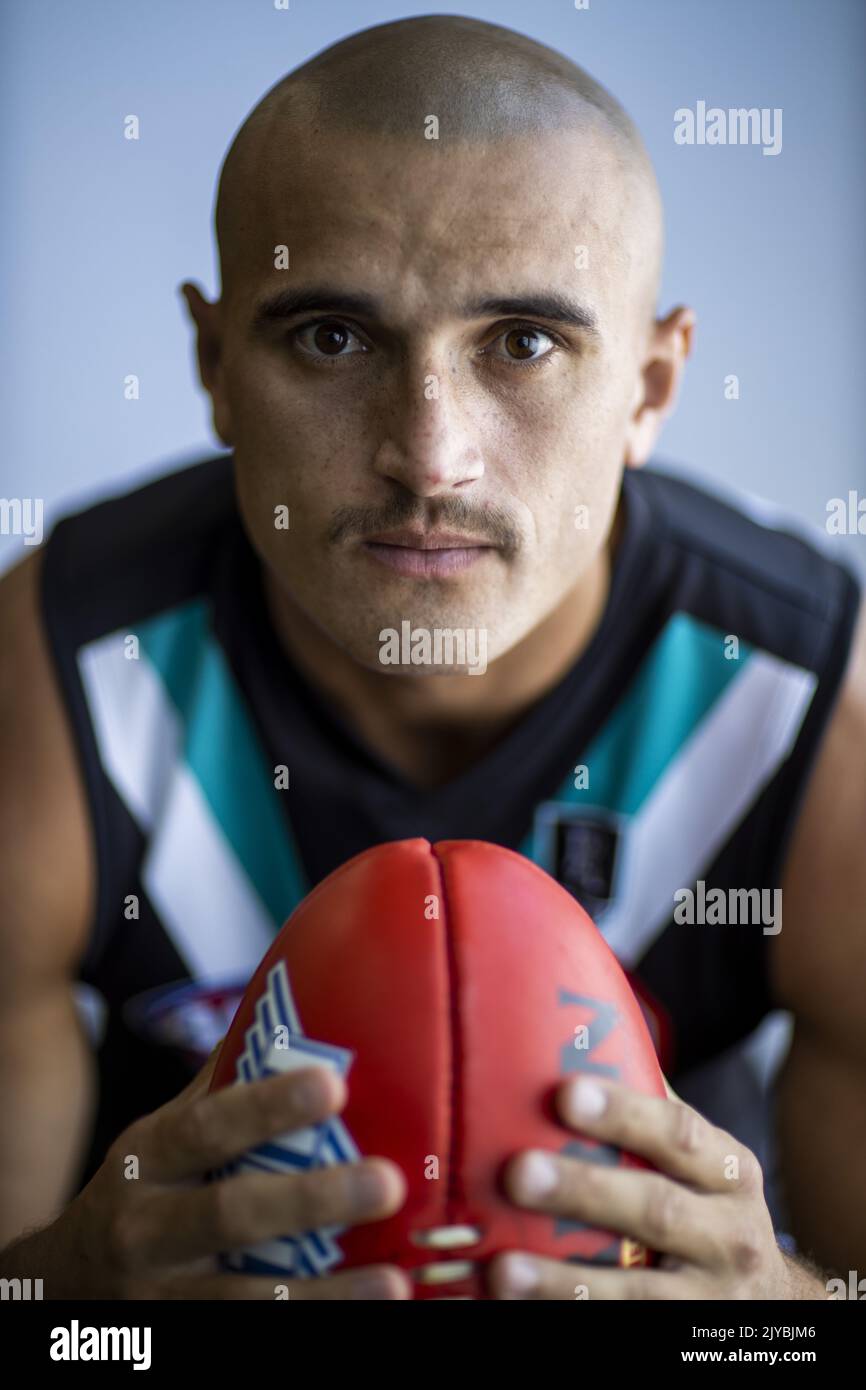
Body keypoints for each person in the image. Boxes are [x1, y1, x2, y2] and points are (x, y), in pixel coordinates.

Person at [1, 15, 863, 1300]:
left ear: (647, 387)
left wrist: (778, 1323)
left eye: (522, 342)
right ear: (214, 366)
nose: (429, 454)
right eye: (333, 339)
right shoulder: (68, 668)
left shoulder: (798, 702)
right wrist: (73, 1309)